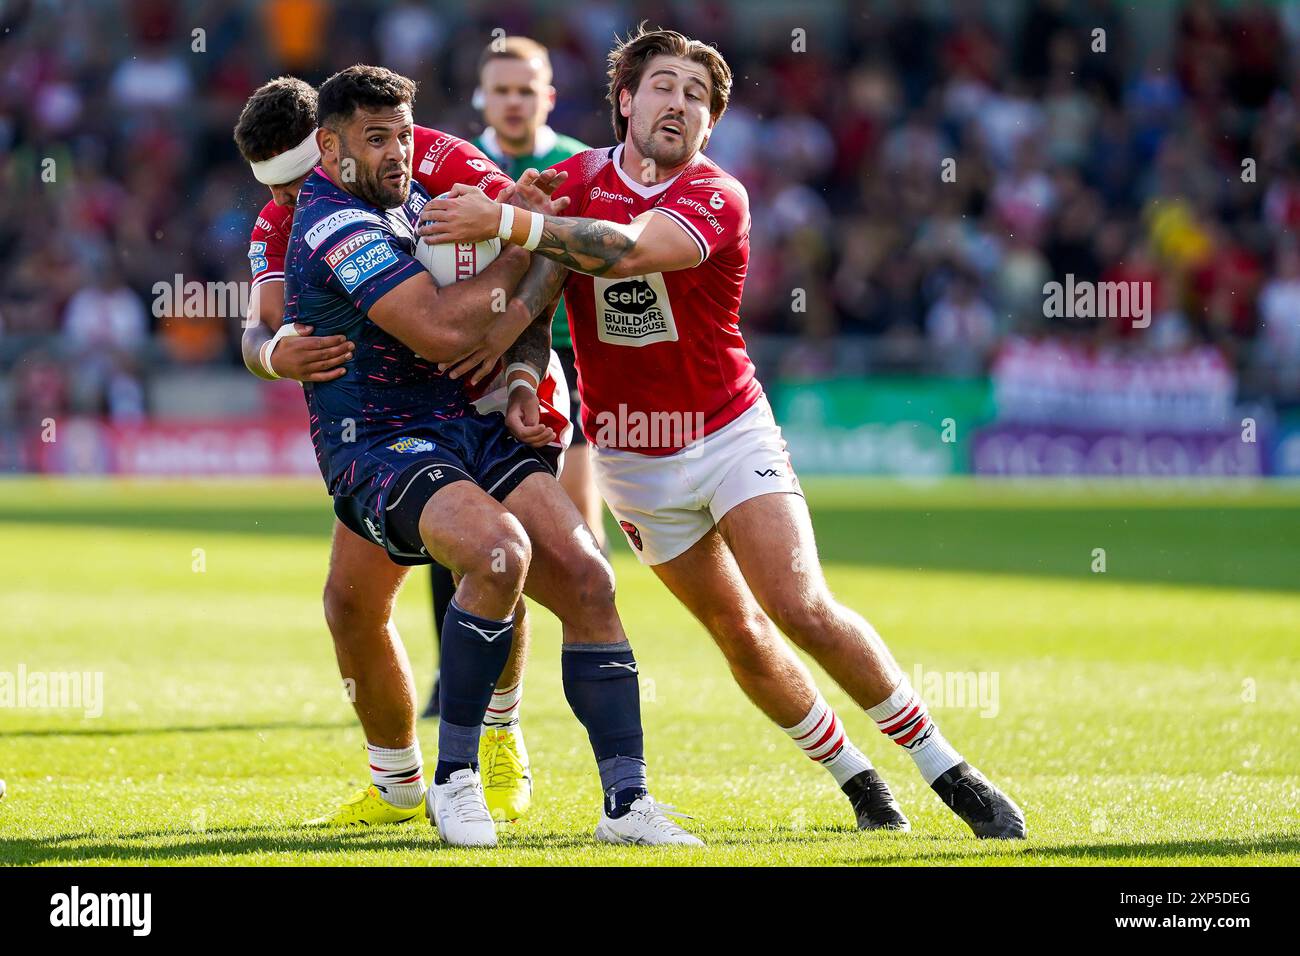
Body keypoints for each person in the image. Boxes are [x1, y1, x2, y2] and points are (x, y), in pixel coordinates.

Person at [422, 26, 1026, 838]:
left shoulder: (717, 195)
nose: (680, 104)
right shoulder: (569, 180)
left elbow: (625, 251)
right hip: (633, 457)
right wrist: (527, 373)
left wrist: (507, 218)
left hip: (729, 432)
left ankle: (947, 768)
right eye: (664, 86)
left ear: (711, 126)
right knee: (735, 629)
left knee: (798, 604)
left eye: (698, 98)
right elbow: (542, 296)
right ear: (626, 101)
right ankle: (858, 781)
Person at [281, 64, 699, 847]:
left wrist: (514, 362)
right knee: (497, 555)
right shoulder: (333, 223)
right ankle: (457, 780)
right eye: (377, 139)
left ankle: (627, 804)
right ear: (329, 147)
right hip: (379, 443)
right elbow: (442, 330)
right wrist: (516, 239)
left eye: (405, 134)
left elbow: (553, 266)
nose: (400, 152)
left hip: (464, 424)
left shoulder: (417, 202)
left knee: (588, 578)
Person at [234, 76, 551, 826]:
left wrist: (514, 353)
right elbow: (257, 329)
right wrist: (275, 357)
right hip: (384, 419)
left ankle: (500, 738)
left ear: (326, 144)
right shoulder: (283, 219)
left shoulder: (433, 157)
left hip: (493, 374)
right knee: (351, 604)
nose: (282, 204)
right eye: (268, 191)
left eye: (291, 183)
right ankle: (399, 786)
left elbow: (539, 242)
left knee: (509, 558)